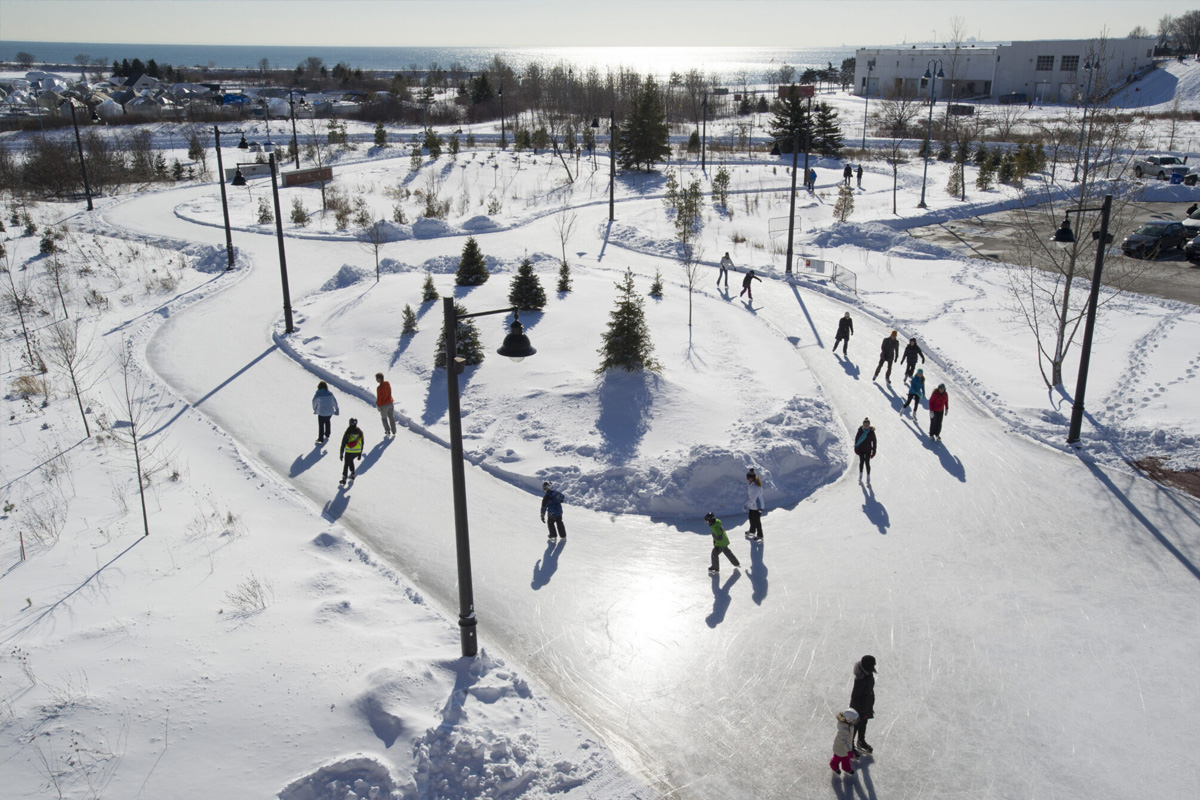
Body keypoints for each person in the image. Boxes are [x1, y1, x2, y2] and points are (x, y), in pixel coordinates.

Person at [850, 655, 876, 753]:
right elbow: (855, 696)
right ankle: (850, 744)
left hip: (867, 705)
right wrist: (859, 710)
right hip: (858, 708)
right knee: (855, 725)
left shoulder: (868, 674)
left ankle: (861, 741)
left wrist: (869, 705)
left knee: (864, 724)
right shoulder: (860, 680)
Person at [830, 708, 860, 775]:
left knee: (846, 759)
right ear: (849, 719)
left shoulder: (849, 725)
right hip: (840, 747)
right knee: (837, 758)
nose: (856, 721)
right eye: (854, 720)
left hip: (846, 748)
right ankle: (833, 765)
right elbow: (844, 741)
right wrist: (849, 750)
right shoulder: (844, 729)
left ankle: (846, 768)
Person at [338, 418, 364, 486]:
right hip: (357, 451)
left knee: (346, 464)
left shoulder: (348, 432)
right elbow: (362, 443)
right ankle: (352, 473)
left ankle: (344, 479)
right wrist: (360, 454)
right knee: (351, 460)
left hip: (349, 451)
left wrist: (341, 453)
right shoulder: (360, 432)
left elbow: (343, 443)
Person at [311, 380, 339, 444]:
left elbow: (314, 402)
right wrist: (337, 410)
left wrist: (315, 410)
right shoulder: (330, 394)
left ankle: (320, 438)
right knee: (327, 421)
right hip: (330, 412)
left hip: (321, 413)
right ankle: (327, 434)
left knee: (321, 425)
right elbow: (335, 402)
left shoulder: (318, 394)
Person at [744, 468, 765, 541]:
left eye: (749, 478)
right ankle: (752, 531)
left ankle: (760, 535)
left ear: (752, 478)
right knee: (751, 519)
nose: (747, 479)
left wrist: (746, 505)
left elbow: (753, 499)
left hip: (758, 506)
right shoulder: (751, 485)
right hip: (752, 506)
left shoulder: (756, 487)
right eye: (747, 478)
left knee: (757, 521)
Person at [375, 372, 397, 438]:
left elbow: (379, 398)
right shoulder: (388, 384)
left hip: (384, 405)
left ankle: (387, 431)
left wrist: (378, 406)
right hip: (390, 403)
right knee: (391, 417)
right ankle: (394, 431)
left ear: (379, 379)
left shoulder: (379, 388)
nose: (376, 380)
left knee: (384, 418)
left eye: (376, 378)